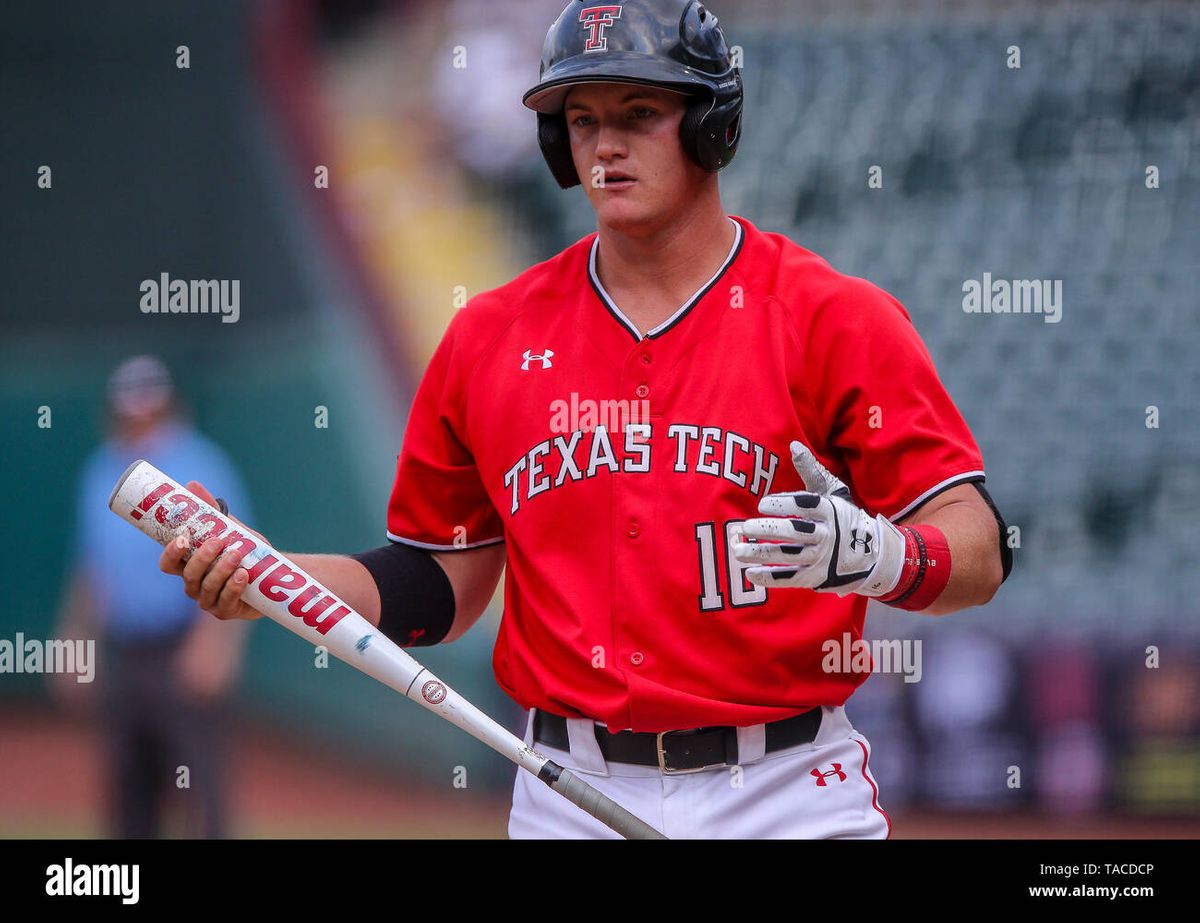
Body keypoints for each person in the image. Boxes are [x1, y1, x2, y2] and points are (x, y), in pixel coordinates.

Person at [159, 0, 1012, 839]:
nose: (605, 145)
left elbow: (979, 547)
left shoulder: (833, 318)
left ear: (713, 124)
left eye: (640, 112)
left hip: (786, 789)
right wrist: (270, 578)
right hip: (571, 791)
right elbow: (436, 587)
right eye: (581, 119)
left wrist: (881, 553)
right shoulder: (491, 336)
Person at [55, 355, 253, 838]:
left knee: (201, 793)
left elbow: (239, 561)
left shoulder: (201, 464)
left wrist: (214, 646)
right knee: (129, 793)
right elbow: (93, 567)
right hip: (129, 652)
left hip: (182, 644)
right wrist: (74, 641)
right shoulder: (100, 469)